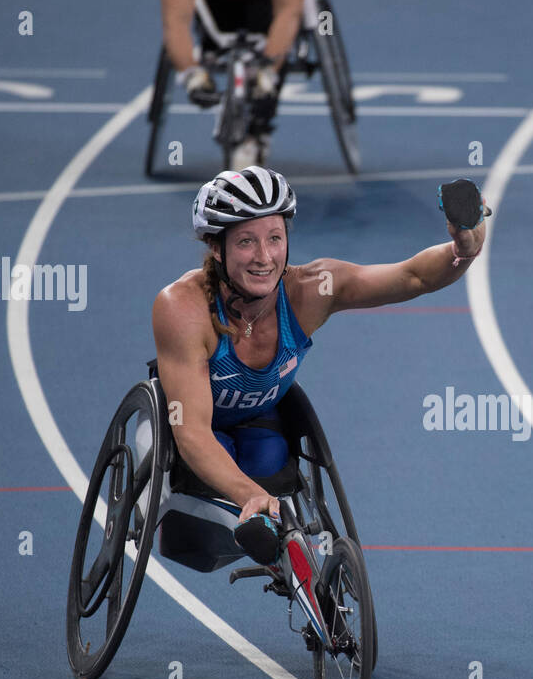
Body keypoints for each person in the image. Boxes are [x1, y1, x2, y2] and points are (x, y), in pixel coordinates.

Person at [152, 166, 487, 542]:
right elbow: (193, 433)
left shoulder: (312, 290)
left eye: (275, 238)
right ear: (216, 246)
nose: (265, 257)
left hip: (259, 423)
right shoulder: (182, 307)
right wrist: (251, 495)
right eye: (246, 242)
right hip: (194, 429)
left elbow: (413, 277)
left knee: (269, 457)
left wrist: (463, 250)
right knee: (219, 458)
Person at [159, 0, 306, 166]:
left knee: (266, 80)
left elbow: (289, 10)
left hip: (266, 11)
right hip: (214, 15)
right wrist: (191, 75)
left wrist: (269, 71)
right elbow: (175, 20)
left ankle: (258, 130)